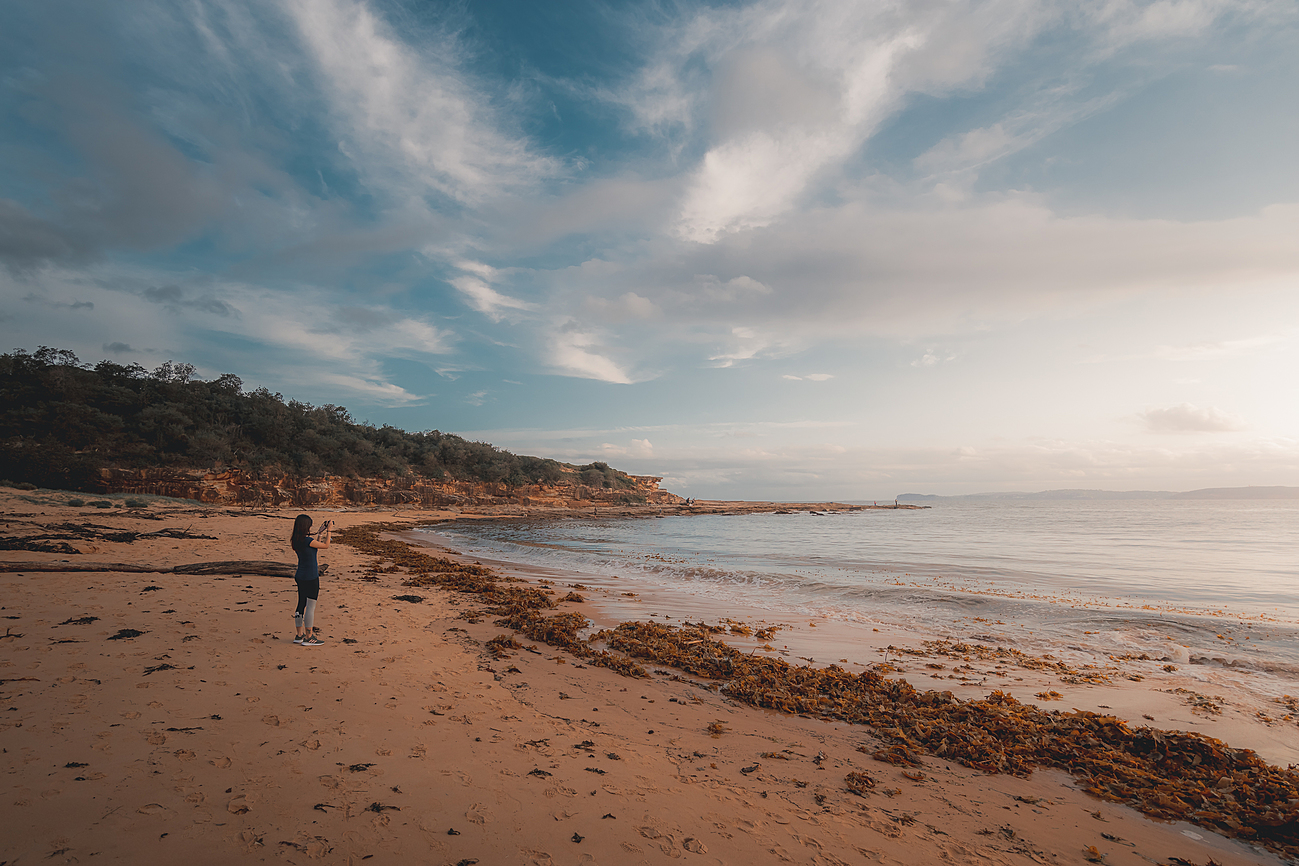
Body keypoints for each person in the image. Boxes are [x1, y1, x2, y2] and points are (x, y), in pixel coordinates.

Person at [290, 514, 332, 646]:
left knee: (301, 603)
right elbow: (326, 546)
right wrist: (329, 530)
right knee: (311, 606)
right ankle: (309, 636)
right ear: (305, 526)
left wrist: (320, 533)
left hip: (300, 575)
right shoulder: (307, 540)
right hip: (311, 576)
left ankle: (299, 635)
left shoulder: (296, 540)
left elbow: (314, 549)